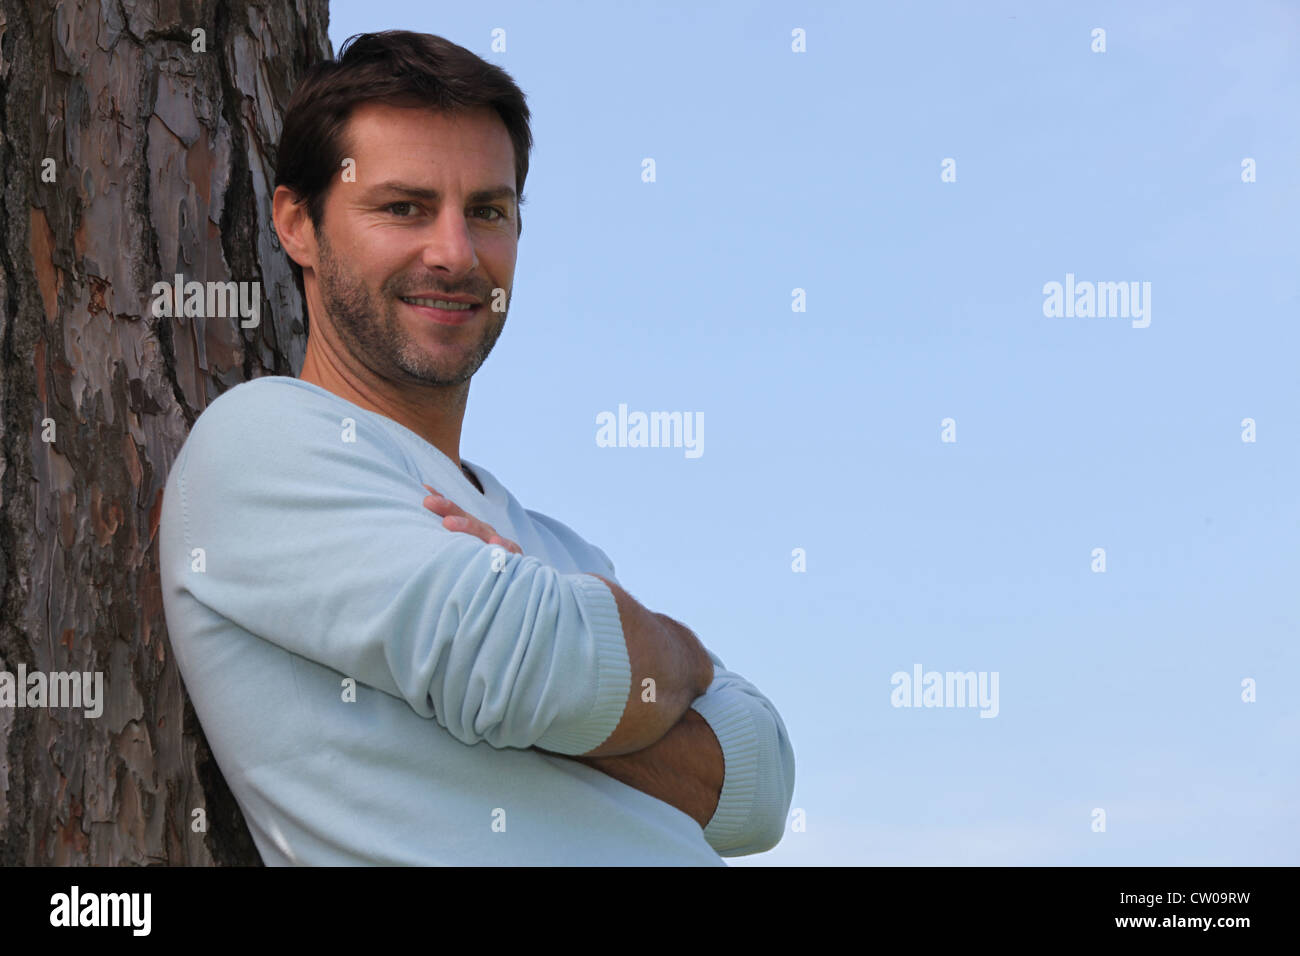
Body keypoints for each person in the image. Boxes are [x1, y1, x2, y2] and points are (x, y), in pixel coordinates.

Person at [158, 29, 794, 865]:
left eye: (488, 212)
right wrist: (676, 659)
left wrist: (587, 660)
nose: (455, 254)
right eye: (404, 208)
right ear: (298, 225)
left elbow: (760, 789)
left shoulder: (560, 547)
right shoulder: (259, 445)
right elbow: (537, 670)